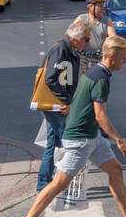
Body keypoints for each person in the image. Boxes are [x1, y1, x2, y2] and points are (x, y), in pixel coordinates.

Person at [11, 34, 126, 217]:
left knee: (116, 170)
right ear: (113, 56)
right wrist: (119, 141)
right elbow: (101, 116)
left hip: (91, 136)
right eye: (123, 58)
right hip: (80, 139)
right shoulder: (102, 78)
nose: (125, 63)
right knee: (59, 183)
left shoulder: (94, 72)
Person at [37, 19, 92, 192]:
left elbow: (65, 77)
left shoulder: (69, 49)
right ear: (76, 38)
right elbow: (51, 79)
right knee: (69, 145)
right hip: (57, 107)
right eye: (87, 39)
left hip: (56, 105)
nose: (88, 43)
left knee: (52, 145)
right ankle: (58, 186)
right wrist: (68, 101)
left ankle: (44, 185)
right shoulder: (61, 49)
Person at [76, 0, 109, 69]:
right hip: (84, 59)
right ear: (91, 7)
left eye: (103, 6)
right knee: (82, 78)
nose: (103, 9)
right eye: (100, 6)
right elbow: (71, 36)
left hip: (101, 59)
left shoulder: (107, 20)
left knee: (101, 80)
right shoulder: (81, 19)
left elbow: (112, 37)